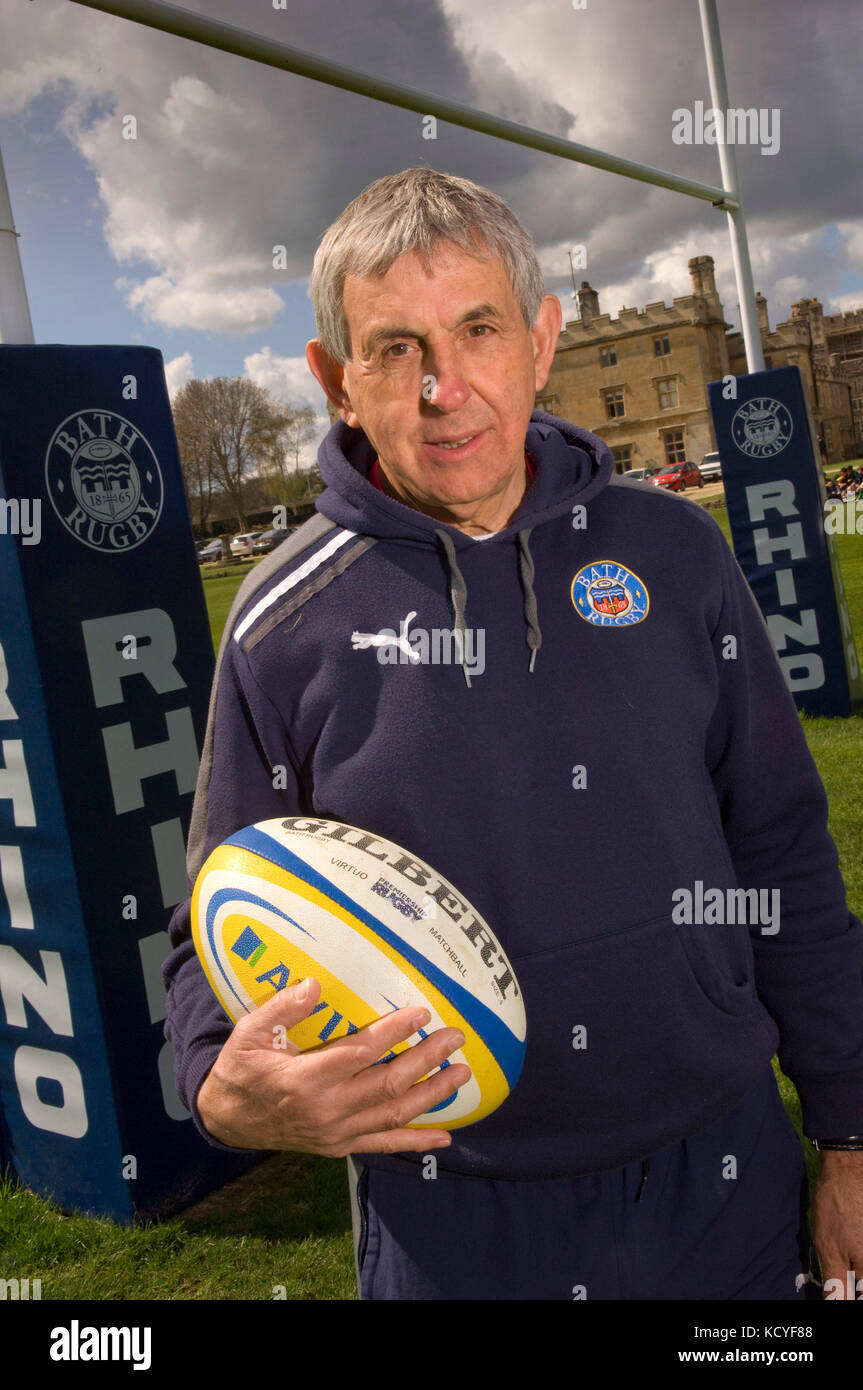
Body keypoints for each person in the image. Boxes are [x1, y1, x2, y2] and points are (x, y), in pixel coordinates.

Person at [163, 167, 863, 1301]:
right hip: (456, 1214)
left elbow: (780, 852)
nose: (443, 387)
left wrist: (846, 1132)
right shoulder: (282, 623)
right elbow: (215, 915)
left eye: (476, 328)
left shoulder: (672, 553)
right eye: (393, 348)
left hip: (720, 1177)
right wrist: (216, 1082)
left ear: (540, 341)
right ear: (336, 381)